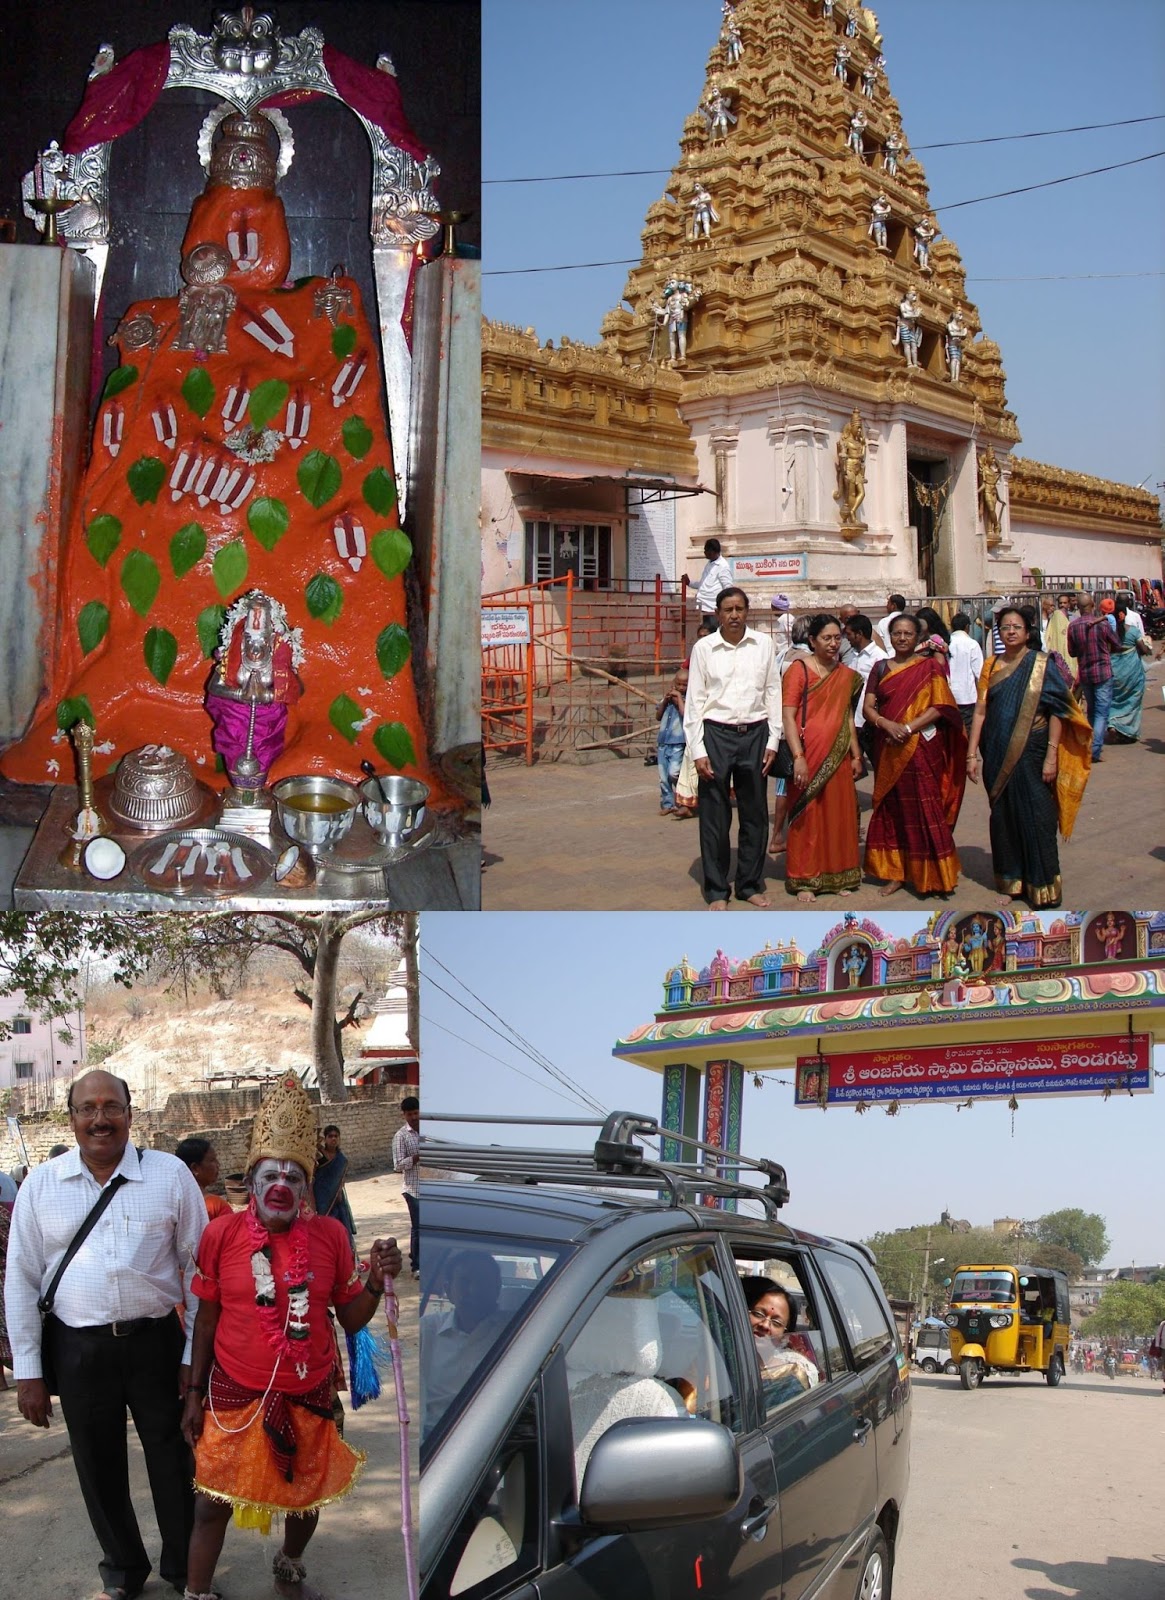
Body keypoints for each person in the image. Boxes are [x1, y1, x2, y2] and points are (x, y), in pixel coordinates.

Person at [181, 1074, 400, 1600]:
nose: (281, 1184)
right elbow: (205, 1321)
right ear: (252, 1180)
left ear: (306, 1187)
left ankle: (288, 1571)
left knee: (306, 1497)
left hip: (309, 1389)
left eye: (293, 1176)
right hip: (235, 1392)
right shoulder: (221, 1234)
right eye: (270, 1174)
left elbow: (351, 1319)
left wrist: (374, 1281)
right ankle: (196, 1592)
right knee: (211, 1502)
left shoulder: (331, 1236)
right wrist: (192, 1393)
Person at [5, 1070, 206, 1600]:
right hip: (78, 1349)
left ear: (130, 1114)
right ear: (71, 1118)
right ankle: (122, 1572)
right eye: (87, 1108)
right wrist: (28, 1371)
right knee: (97, 1464)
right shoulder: (41, 1185)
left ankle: (186, 1572)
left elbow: (200, 1273)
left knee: (174, 1457)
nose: (100, 1119)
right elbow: (21, 1279)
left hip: (156, 1344)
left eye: (111, 1106)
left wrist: (193, 1356)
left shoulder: (169, 1176)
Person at [967, 606, 1092, 908]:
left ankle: (1043, 885)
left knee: (1038, 817)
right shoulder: (990, 665)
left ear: (1027, 632)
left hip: (1033, 751)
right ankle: (1011, 881)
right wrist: (971, 754)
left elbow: (1058, 710)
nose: (1010, 631)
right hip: (996, 752)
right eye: (1005, 627)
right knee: (1004, 817)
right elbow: (980, 711)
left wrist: (1052, 754)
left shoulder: (1042, 664)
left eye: (1016, 627)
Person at [684, 588, 782, 908]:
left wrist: (773, 739)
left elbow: (773, 692)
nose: (734, 615)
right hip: (716, 734)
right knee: (714, 816)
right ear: (718, 613)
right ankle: (716, 889)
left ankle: (749, 884)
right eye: (728, 610)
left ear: (748, 611)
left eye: (740, 608)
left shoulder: (763, 645)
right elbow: (695, 701)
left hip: (755, 734)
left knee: (754, 814)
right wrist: (698, 750)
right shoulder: (704, 649)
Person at [863, 613, 966, 897]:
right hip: (888, 746)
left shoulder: (929, 667)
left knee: (925, 807)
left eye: (908, 633)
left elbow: (941, 706)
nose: (902, 638)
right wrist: (887, 725)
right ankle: (896, 873)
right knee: (893, 809)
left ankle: (933, 875)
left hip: (921, 745)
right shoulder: (880, 668)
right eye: (897, 633)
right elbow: (868, 707)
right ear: (890, 637)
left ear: (918, 637)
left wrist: (908, 728)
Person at [782, 614, 862, 902]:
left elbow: (848, 717)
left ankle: (839, 874)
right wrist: (798, 756)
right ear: (812, 640)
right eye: (826, 638)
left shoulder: (846, 675)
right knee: (808, 816)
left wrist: (856, 754)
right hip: (808, 754)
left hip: (838, 755)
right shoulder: (799, 670)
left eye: (837, 638)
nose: (833, 643)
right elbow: (788, 716)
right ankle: (805, 878)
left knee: (838, 816)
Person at [421, 1249, 510, 1437]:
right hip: (432, 1438)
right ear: (448, 1290)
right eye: (464, 1282)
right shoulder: (426, 1330)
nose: (474, 1290)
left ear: (497, 1288)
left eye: (483, 1281)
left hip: (495, 1439)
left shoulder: (516, 1330)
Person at [741, 1277, 819, 1402]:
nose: (765, 1325)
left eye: (776, 1323)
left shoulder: (788, 1380)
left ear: (784, 1335)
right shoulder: (714, 1358)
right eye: (758, 1314)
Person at [1067, 593, 1118, 760]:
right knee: (1102, 712)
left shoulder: (1073, 626)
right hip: (1103, 672)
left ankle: (1090, 746)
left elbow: (1072, 652)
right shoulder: (1102, 624)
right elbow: (1117, 643)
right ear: (1093, 605)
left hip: (1086, 673)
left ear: (1078, 607)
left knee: (1092, 710)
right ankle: (1094, 750)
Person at [842, 612, 886, 770]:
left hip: (869, 722)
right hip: (854, 720)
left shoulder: (879, 658)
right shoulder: (853, 657)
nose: (847, 639)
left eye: (849, 634)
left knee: (880, 765)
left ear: (859, 634)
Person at [1104, 598, 1148, 742]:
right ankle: (1127, 730)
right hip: (1131, 671)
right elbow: (1143, 649)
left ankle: (1112, 723)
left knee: (1113, 697)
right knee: (1133, 697)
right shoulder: (1133, 631)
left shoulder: (1107, 632)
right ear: (1123, 614)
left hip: (1113, 668)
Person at [312, 1124, 356, 1251]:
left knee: (342, 1229)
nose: (333, 1139)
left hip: (337, 1201)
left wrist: (339, 1193)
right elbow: (313, 1178)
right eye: (330, 1136)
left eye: (336, 1136)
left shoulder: (341, 1159)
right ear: (325, 1139)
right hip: (321, 1200)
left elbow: (341, 1180)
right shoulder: (319, 1156)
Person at [392, 1095, 420, 1278]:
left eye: (416, 1113)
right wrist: (416, 1158)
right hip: (413, 1190)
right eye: (410, 1114)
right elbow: (397, 1164)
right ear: (404, 1115)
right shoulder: (401, 1136)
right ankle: (417, 1266)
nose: (414, 1117)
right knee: (418, 1228)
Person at [655, 667, 689, 814]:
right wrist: (665, 701)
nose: (681, 687)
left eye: (684, 685)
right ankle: (668, 803)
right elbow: (658, 715)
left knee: (674, 773)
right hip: (663, 741)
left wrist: (679, 699)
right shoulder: (668, 699)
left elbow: (686, 715)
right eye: (678, 684)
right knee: (663, 777)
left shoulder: (688, 700)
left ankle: (684, 797)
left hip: (678, 742)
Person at [175, 1136, 233, 1220]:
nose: (218, 1164)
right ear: (195, 1168)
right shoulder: (216, 1206)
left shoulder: (172, 1204)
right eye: (212, 1160)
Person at [947, 614, 984, 733]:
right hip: (967, 696)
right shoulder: (972, 644)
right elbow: (980, 673)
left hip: (948, 695)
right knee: (966, 731)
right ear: (967, 627)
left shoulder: (946, 644)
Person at [693, 537, 733, 623]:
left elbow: (728, 588)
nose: (704, 553)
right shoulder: (709, 564)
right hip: (703, 607)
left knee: (713, 630)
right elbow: (703, 584)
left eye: (706, 550)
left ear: (712, 551)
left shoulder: (722, 566)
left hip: (712, 609)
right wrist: (689, 583)